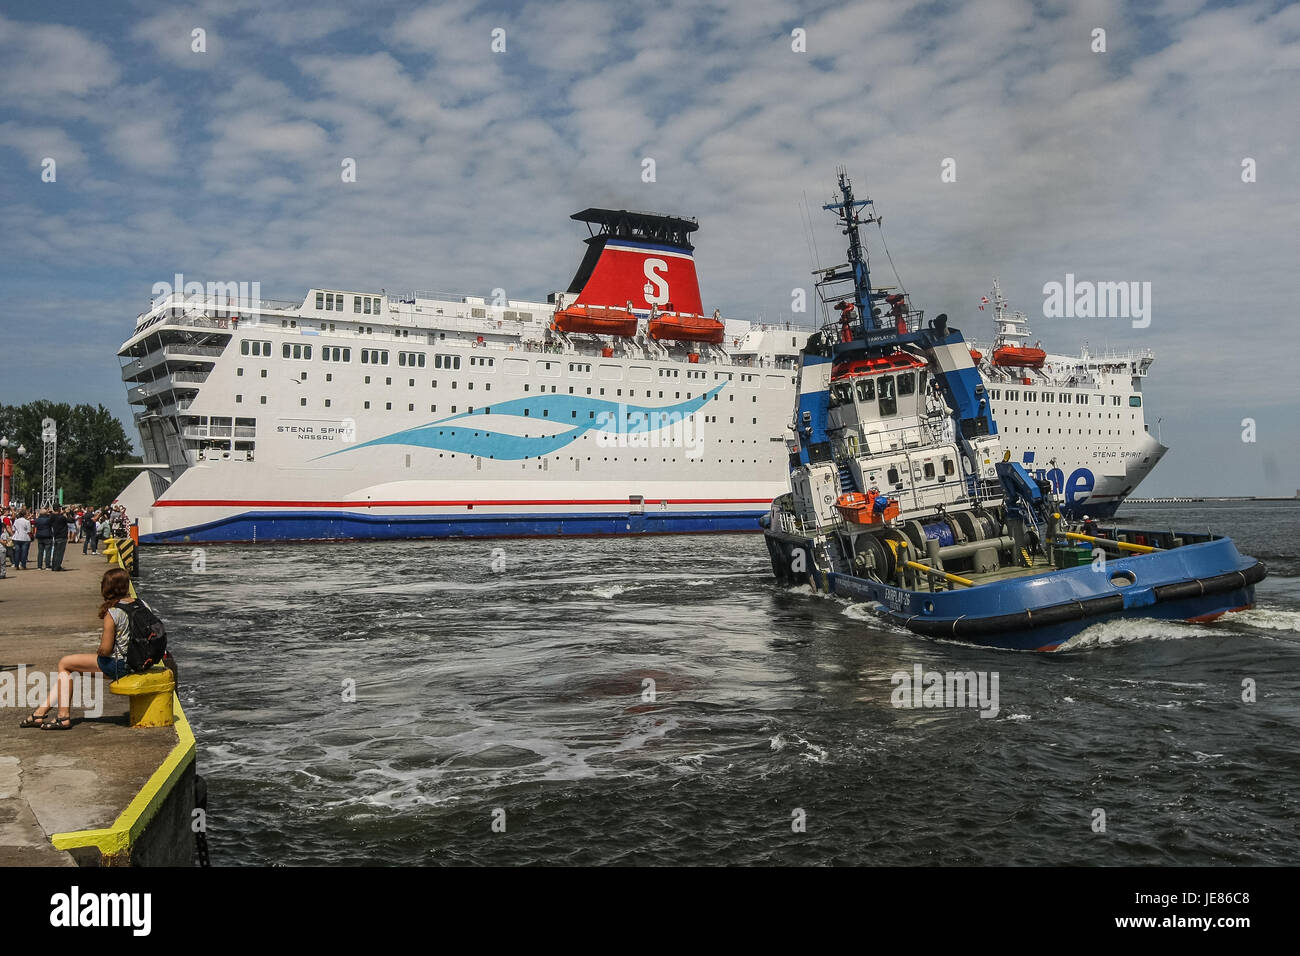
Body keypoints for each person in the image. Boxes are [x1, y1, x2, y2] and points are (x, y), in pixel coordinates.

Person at [20, 568, 141, 730]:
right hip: (140, 661)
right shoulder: (141, 604)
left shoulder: (113, 612)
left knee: (65, 664)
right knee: (69, 671)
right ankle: (39, 714)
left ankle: (63, 717)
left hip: (122, 666)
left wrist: (99, 651)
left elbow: (105, 650)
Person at [49, 507, 69, 571]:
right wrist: (66, 513)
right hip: (62, 535)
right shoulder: (62, 517)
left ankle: (54, 566)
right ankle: (57, 566)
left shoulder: (52, 516)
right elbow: (71, 520)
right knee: (60, 552)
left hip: (56, 535)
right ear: (58, 509)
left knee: (55, 552)